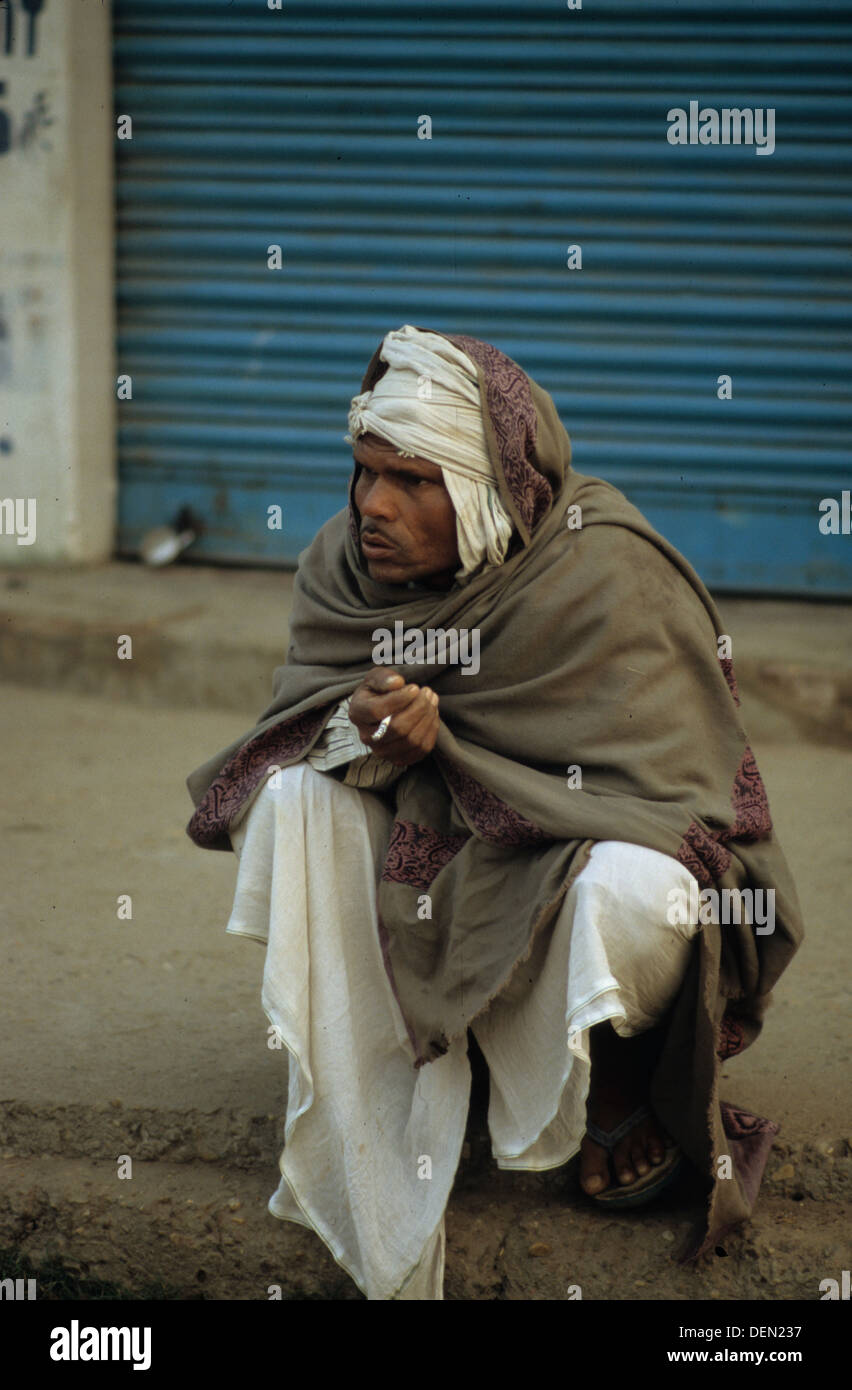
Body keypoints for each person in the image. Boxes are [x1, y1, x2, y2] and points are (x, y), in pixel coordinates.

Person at [186, 324, 803, 1300]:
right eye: (363, 471)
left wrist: (464, 757)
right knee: (293, 793)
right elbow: (291, 723)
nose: (372, 507)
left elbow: (697, 812)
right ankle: (369, 1082)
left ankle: (616, 1067)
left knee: (645, 890)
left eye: (415, 481)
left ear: (487, 490)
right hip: (417, 896)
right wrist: (363, 737)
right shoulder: (344, 571)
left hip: (555, 888)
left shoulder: (606, 577)